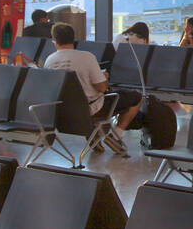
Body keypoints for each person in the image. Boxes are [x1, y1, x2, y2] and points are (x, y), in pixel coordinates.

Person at [44, 23, 139, 157]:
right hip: (92, 109)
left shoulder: (50, 61)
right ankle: (115, 136)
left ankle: (94, 132)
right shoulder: (86, 57)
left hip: (63, 113)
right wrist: (104, 77)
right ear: (73, 38)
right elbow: (102, 87)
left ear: (54, 41)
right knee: (136, 97)